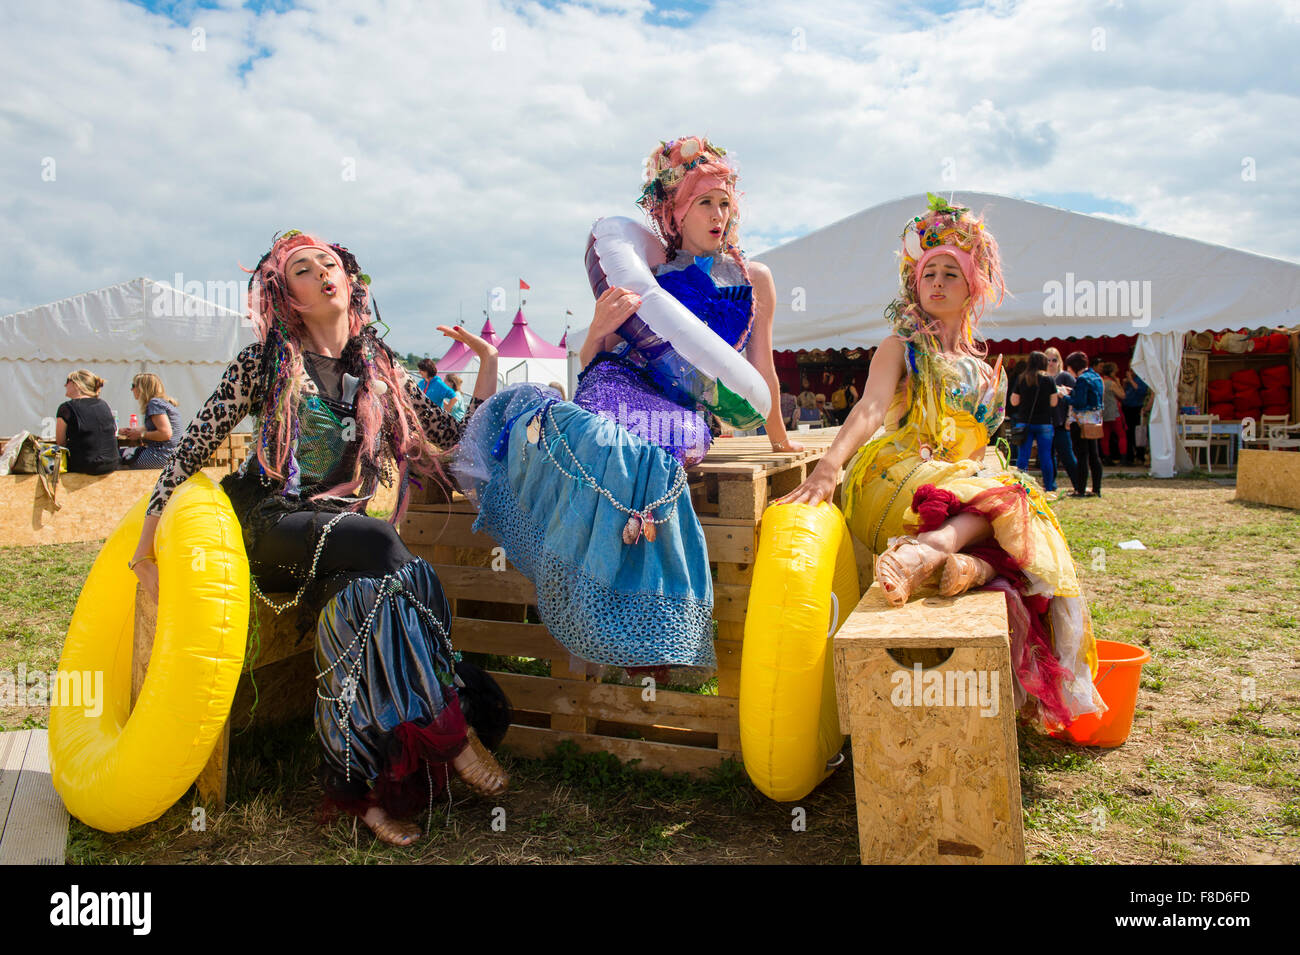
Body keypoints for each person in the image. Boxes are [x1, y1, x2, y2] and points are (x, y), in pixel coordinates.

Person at [129, 231, 506, 847]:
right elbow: (186, 451)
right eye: (304, 270)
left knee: (362, 605)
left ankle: (364, 796)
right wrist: (145, 548)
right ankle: (452, 732)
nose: (322, 273)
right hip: (272, 526)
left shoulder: (382, 370)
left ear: (349, 280)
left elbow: (458, 439)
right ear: (289, 296)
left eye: (329, 263)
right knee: (384, 548)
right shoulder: (264, 363)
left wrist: (488, 367)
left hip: (340, 542)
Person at [456, 136, 797, 684]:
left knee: (657, 449)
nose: (718, 215)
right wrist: (594, 330)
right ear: (677, 211)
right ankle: (589, 608)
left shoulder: (755, 278)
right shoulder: (647, 275)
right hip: (621, 379)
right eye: (705, 203)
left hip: (685, 407)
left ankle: (632, 626)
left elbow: (762, 362)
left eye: (726, 203)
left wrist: (777, 431)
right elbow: (598, 357)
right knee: (602, 438)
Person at [775, 195, 1102, 733]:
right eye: (930, 272)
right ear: (915, 282)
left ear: (973, 285)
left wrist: (978, 473)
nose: (939, 282)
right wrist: (829, 466)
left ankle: (959, 563)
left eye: (952, 272)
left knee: (1020, 507)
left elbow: (976, 451)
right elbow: (871, 408)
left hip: (960, 483)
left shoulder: (981, 366)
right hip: (896, 477)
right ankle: (933, 550)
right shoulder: (900, 347)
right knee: (1017, 499)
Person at [1010, 351, 1059, 493]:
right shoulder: (1049, 379)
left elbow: (1014, 401)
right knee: (1045, 456)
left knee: (1023, 456)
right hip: (1044, 422)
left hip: (1025, 421)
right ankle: (1048, 487)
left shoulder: (1022, 378)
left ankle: (1021, 486)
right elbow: (1054, 402)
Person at [55, 370, 118, 475]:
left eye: (68, 381)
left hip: (86, 464)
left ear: (77, 384)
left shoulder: (66, 408)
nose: (65, 385)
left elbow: (60, 443)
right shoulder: (103, 404)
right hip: (112, 463)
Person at [118, 373, 183, 469]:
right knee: (124, 455)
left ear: (142, 388)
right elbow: (154, 427)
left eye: (133, 386)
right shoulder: (164, 403)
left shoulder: (154, 403)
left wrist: (141, 435)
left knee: (114, 458)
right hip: (172, 456)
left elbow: (165, 433)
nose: (131, 389)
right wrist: (132, 430)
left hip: (161, 457)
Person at [1064, 351, 1104, 497]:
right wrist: (1073, 392)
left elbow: (1079, 403)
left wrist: (1065, 396)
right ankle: (1096, 489)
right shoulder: (1096, 377)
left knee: (1082, 456)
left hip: (1081, 423)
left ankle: (1080, 489)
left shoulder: (1082, 380)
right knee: (1094, 455)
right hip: (1094, 422)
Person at [1045, 347, 1081, 493]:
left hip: (1061, 422)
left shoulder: (1065, 377)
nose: (1051, 363)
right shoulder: (1042, 377)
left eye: (1054, 360)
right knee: (1048, 456)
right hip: (1045, 422)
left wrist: (1069, 420)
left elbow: (1076, 397)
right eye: (1048, 360)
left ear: (1059, 361)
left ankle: (1078, 484)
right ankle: (1051, 486)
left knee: (1067, 455)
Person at [1100, 362, 1127, 465]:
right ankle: (1123, 457)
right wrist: (1119, 383)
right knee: (1121, 435)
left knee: (1105, 437)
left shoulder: (1101, 382)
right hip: (1114, 413)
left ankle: (1107, 457)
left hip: (1104, 413)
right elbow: (1122, 395)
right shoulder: (1112, 383)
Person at [1122, 367, 1149, 466]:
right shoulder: (1129, 381)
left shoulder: (1141, 380)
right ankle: (1130, 456)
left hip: (1136, 408)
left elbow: (1141, 391)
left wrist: (1130, 380)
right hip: (1127, 407)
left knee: (1137, 433)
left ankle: (1140, 456)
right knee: (1128, 433)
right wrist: (1125, 383)